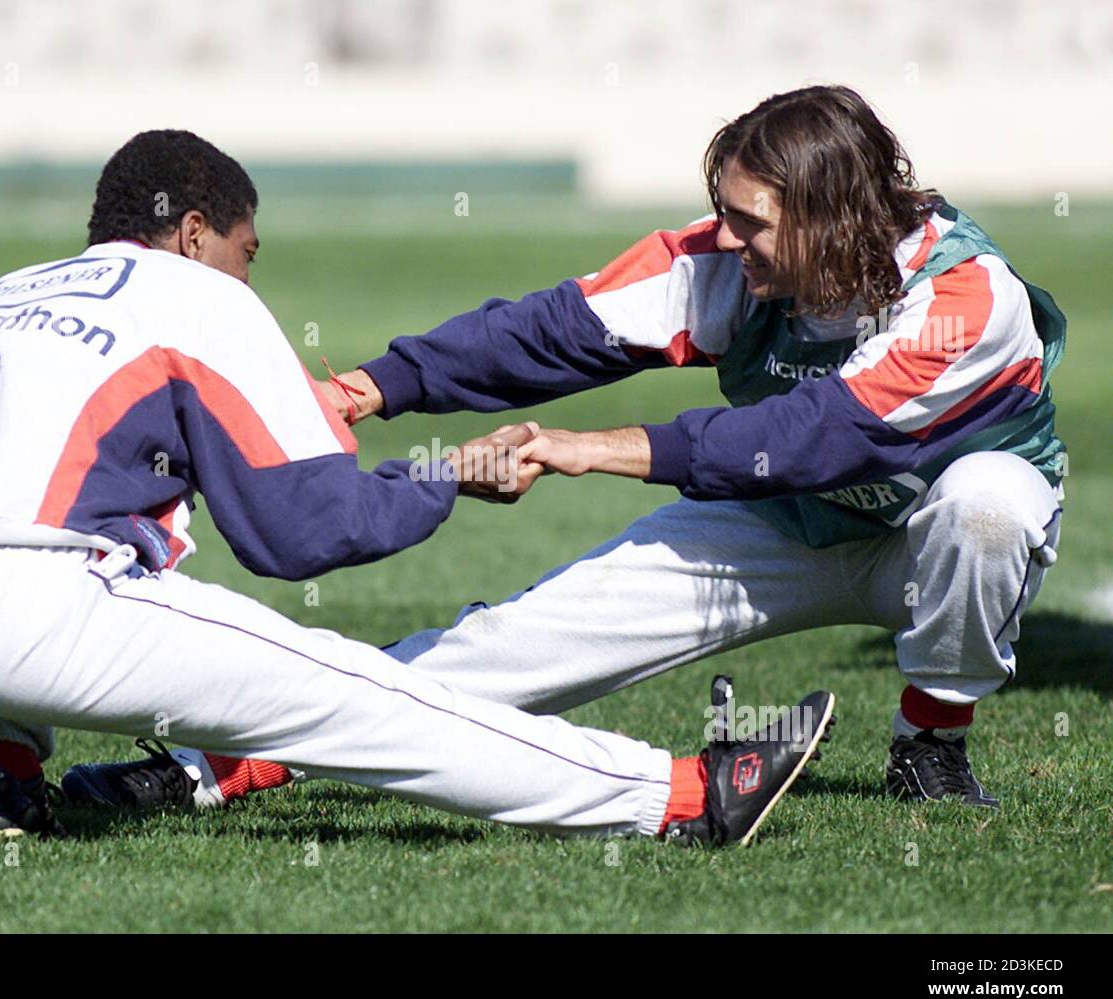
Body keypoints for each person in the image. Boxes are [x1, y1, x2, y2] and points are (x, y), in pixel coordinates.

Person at [0, 129, 833, 846]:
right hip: (31, 614)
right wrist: (446, 474)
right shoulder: (195, 296)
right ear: (194, 233)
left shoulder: (8, 290)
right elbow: (302, 535)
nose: (246, 275)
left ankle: (0, 782)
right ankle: (687, 797)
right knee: (367, 699)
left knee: (28, 525)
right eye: (246, 253)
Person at [92, 85, 1063, 813]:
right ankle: (226, 763)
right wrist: (364, 390)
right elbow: (551, 332)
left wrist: (591, 450)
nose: (725, 240)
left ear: (828, 217)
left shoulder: (965, 300)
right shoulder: (732, 262)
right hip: (780, 528)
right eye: (722, 212)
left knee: (989, 504)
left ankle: (930, 740)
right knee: (511, 645)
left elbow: (811, 436)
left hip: (921, 547)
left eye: (750, 222)